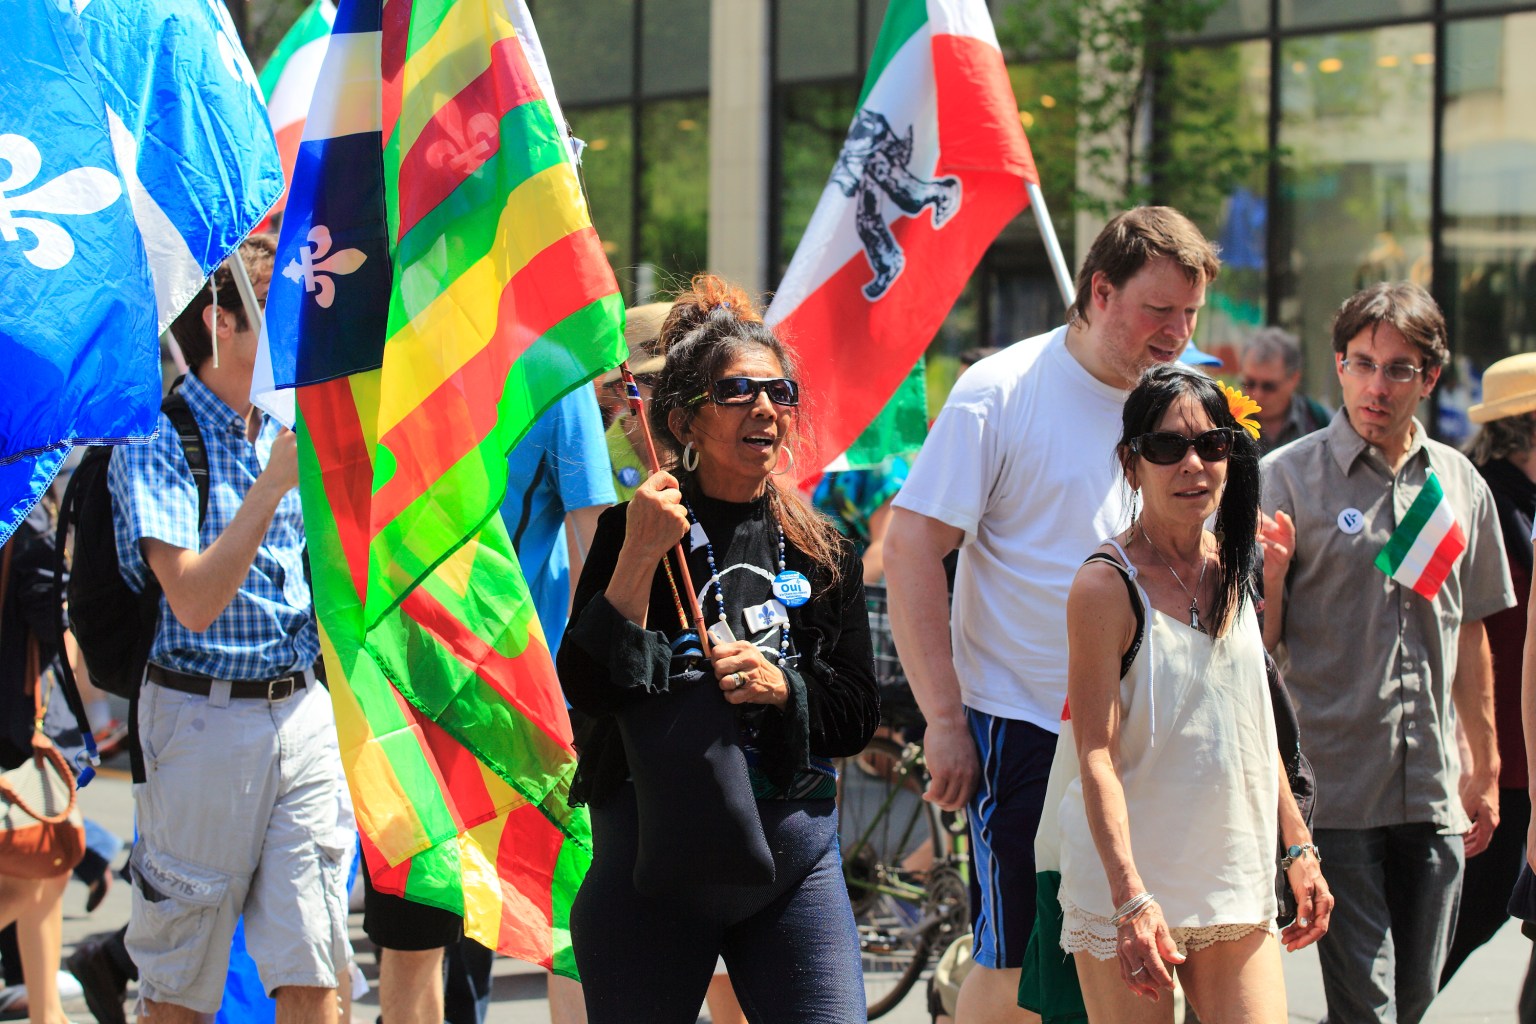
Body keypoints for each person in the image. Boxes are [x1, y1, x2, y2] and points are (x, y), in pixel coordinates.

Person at [885, 206, 1221, 1024]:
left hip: (1155, 734)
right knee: (1021, 964)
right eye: (1158, 310)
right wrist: (943, 718)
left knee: (1143, 957)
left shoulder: (1187, 407)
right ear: (1100, 291)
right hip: (1030, 724)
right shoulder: (1000, 391)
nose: (1178, 333)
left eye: (1190, 313)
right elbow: (910, 549)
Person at [557, 274, 880, 1023]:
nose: (765, 408)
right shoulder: (634, 526)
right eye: (738, 392)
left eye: (779, 393)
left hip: (794, 871)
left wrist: (782, 685)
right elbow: (589, 690)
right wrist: (639, 556)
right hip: (650, 870)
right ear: (683, 420)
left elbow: (856, 714)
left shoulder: (823, 549)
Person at [1035, 364, 1330, 1022]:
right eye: (1167, 446)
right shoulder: (1105, 584)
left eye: (1211, 444)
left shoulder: (1233, 563)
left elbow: (1254, 728)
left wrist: (1298, 847)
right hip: (1130, 885)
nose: (1192, 464)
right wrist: (1130, 896)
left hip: (1229, 870)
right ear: (1131, 463)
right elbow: (1095, 755)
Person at [106, 235, 351, 1024]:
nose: (296, 331)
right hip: (202, 718)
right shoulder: (157, 436)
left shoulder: (285, 427)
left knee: (315, 972)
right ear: (219, 322)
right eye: (276, 311)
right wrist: (272, 487)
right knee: (180, 989)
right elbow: (193, 600)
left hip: (301, 710)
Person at [1260, 282, 1515, 1024]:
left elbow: (1471, 630)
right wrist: (1271, 577)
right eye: (1363, 363)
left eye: (1399, 369)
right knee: (1366, 1012)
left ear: (1429, 378)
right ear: (1338, 366)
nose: (1377, 386)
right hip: (1333, 794)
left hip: (1432, 791)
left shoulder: (1459, 483)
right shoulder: (1286, 478)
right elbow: (1252, 649)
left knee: (1414, 1006)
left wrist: (1486, 763)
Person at [363, 383, 618, 1024]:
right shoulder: (408, 362)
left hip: (496, 700)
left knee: (544, 917)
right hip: (438, 695)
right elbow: (597, 544)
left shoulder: (548, 377)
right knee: (435, 921)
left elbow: (593, 544)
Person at [1439, 353, 1536, 1016]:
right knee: (1453, 927)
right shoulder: (1476, 499)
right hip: (1495, 760)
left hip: (1520, 758)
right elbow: (1413, 602)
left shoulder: (1522, 502)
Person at [0, 503, 75, 1024]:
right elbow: (55, 622)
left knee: (47, 869)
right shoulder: (26, 515)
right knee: (32, 874)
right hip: (17, 728)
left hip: (17, 725)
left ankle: (48, 1012)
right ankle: (47, 1011)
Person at [1239, 327, 1330, 456]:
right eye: (1249, 383)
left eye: (1269, 386)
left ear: (1294, 379)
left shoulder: (1319, 421)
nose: (1257, 394)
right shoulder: (1228, 421)